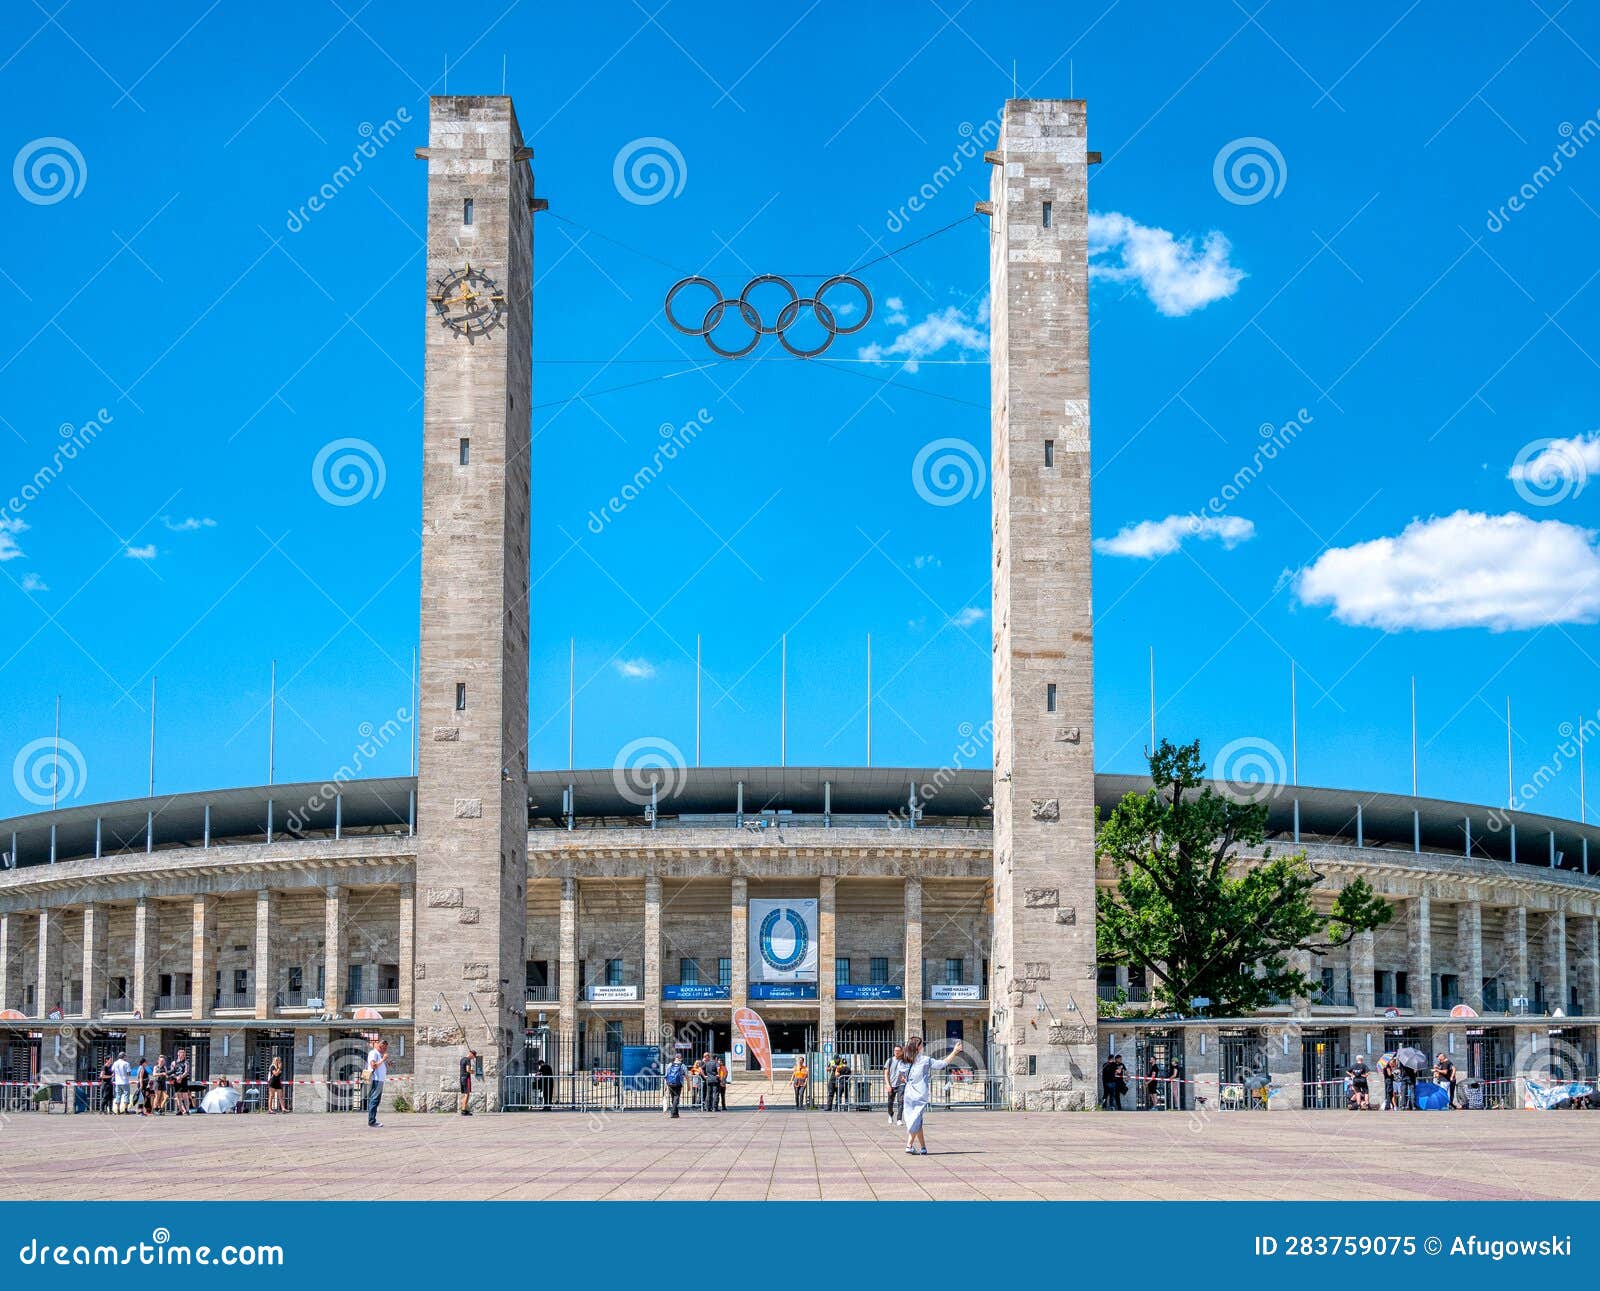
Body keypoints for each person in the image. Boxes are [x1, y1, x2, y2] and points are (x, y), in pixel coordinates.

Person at [897, 1035, 960, 1155]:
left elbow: (902, 1076)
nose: (924, 1046)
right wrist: (954, 1052)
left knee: (917, 1119)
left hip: (909, 1093)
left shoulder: (904, 1060)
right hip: (920, 1094)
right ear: (918, 1047)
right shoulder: (925, 1060)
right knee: (916, 1119)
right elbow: (942, 1064)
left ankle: (923, 1147)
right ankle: (909, 1145)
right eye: (922, 1044)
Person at [365, 1038, 388, 1127]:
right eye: (385, 1048)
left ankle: (372, 1120)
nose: (385, 1050)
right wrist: (383, 1059)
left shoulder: (378, 1054)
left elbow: (379, 1066)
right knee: (374, 1100)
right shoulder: (373, 1053)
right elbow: (373, 1066)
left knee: (376, 1100)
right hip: (376, 1079)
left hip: (379, 1080)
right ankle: (372, 1121)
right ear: (381, 1046)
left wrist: (386, 1063)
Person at [885, 1046, 906, 1122]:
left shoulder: (904, 1061)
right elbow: (886, 1073)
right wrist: (887, 1084)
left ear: (901, 1052)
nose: (896, 1052)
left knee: (901, 1101)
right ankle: (890, 1115)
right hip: (891, 1084)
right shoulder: (890, 1060)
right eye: (895, 1050)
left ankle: (899, 1119)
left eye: (898, 1050)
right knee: (890, 1102)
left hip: (901, 1083)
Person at [663, 1053, 687, 1118]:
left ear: (675, 1058)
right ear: (681, 1058)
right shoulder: (682, 1065)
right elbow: (686, 1076)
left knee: (673, 1098)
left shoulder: (670, 1065)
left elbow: (666, 1076)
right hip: (678, 1083)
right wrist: (689, 1085)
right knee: (676, 1097)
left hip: (670, 1083)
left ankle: (676, 1114)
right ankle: (673, 1112)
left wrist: (665, 1085)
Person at [169, 1049, 191, 1116]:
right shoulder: (174, 1063)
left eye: (184, 1054)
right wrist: (176, 1077)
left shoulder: (186, 1062)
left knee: (185, 1095)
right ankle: (180, 1110)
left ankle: (187, 1110)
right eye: (182, 1054)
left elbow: (186, 1071)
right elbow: (172, 1072)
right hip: (176, 1080)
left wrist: (181, 1077)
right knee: (178, 1096)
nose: (183, 1055)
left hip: (183, 1080)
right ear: (178, 1054)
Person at [459, 1048, 477, 1116]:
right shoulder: (468, 1060)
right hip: (466, 1078)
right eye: (473, 1056)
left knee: (464, 1094)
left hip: (461, 1078)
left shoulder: (462, 1059)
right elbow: (468, 1070)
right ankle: (464, 1110)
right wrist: (473, 1071)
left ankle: (464, 1109)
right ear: (471, 1054)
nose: (473, 1058)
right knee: (467, 1094)